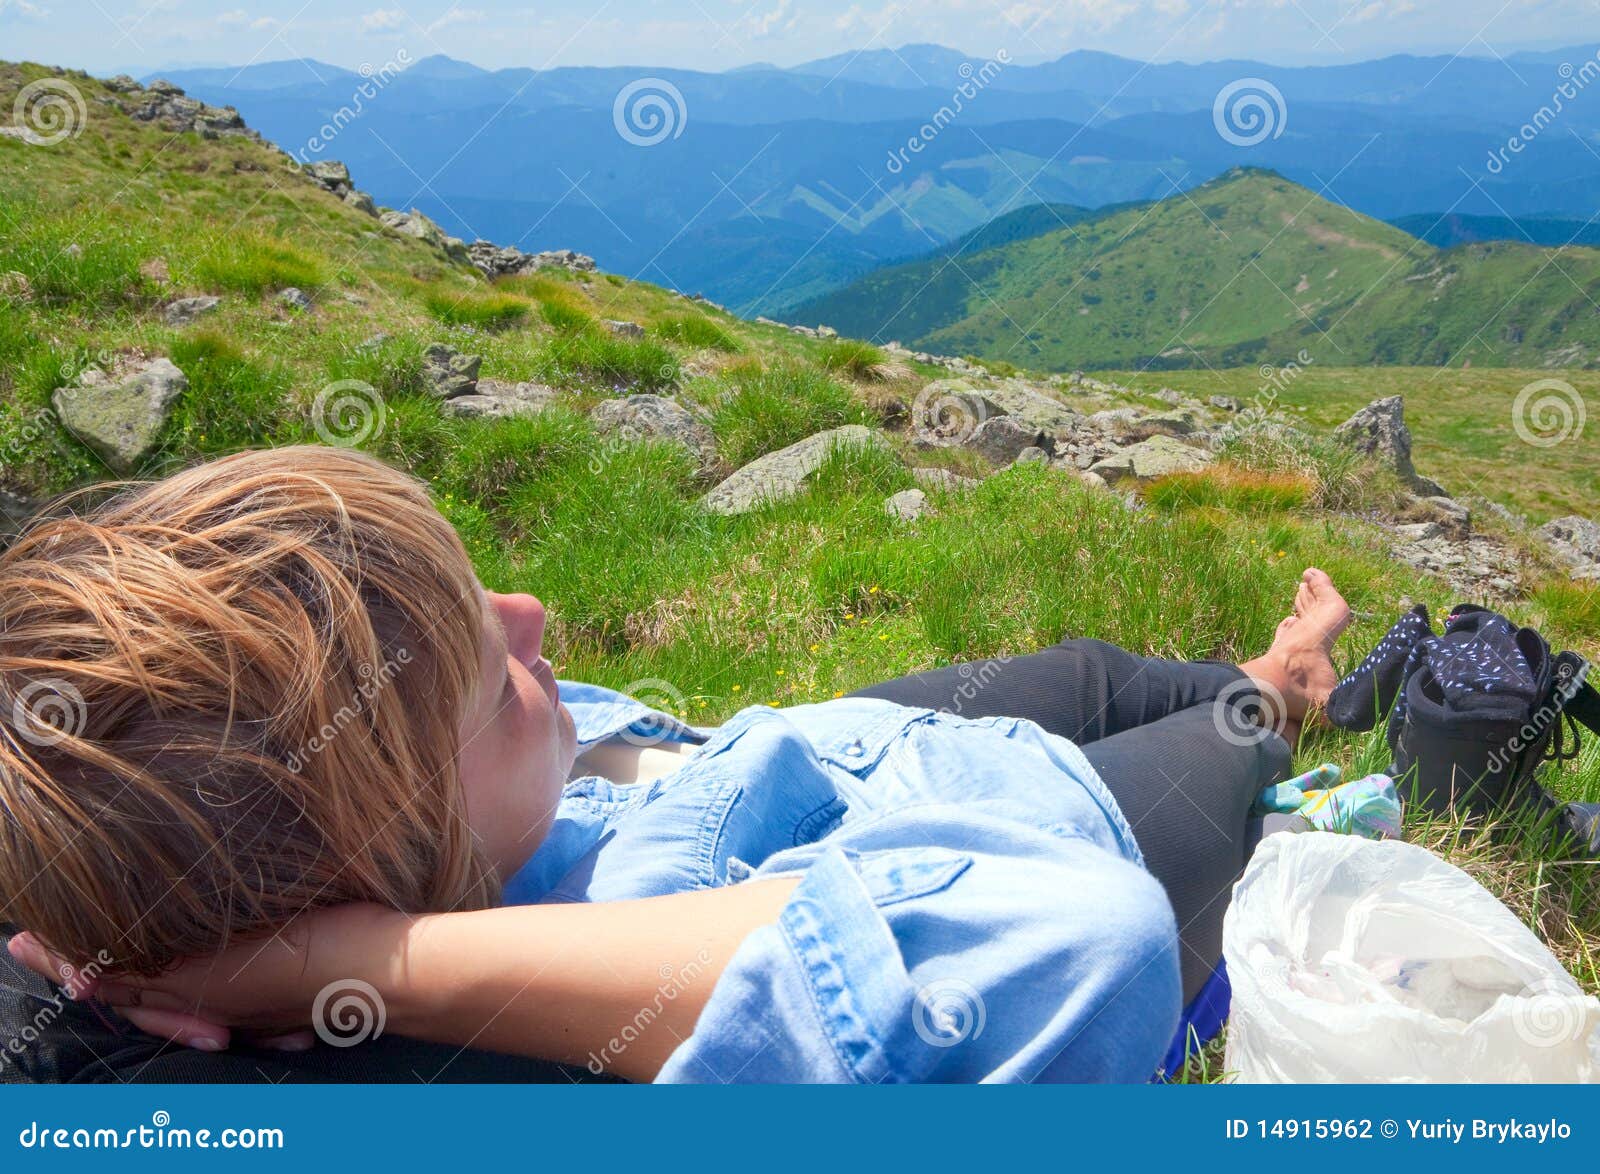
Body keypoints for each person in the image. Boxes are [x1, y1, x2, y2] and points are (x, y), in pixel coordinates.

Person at [0, 447, 1351, 1083]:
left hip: (833, 747)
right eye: (499, 674)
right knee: (1227, 739)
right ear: (378, 884)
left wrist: (90, 895)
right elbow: (1066, 938)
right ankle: (1295, 684)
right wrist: (344, 963)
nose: (537, 621)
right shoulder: (597, 979)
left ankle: (1257, 673)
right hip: (1052, 824)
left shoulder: (428, 788)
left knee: (1093, 668)